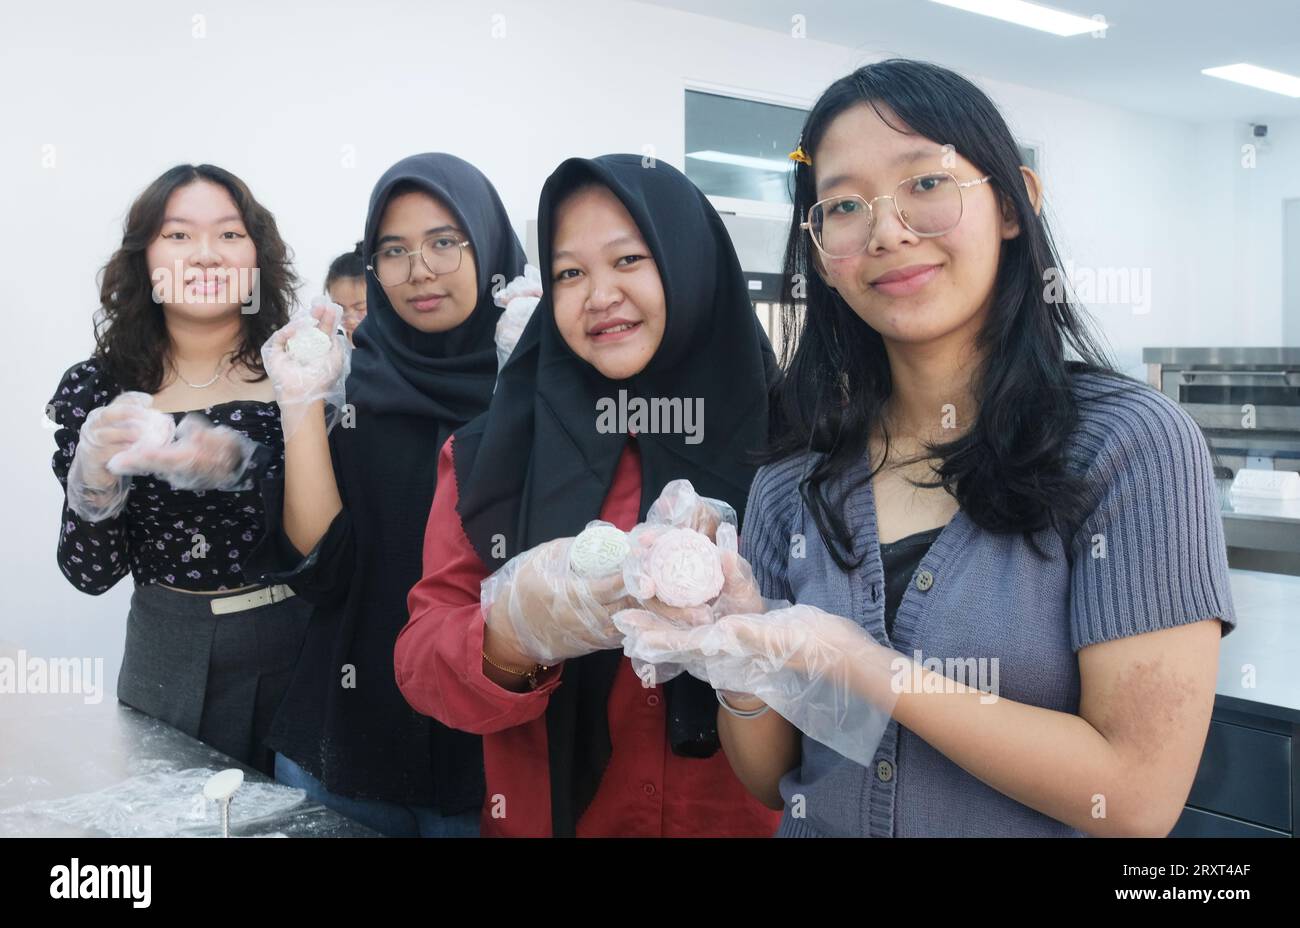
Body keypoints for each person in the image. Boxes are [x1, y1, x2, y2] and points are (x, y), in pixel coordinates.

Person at [616, 59, 1237, 838]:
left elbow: (1137, 798)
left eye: (927, 183)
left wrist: (866, 668)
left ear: (1014, 205)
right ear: (818, 252)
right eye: (843, 205)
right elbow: (773, 779)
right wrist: (734, 652)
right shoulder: (794, 477)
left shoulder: (1128, 445)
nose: (886, 230)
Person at [396, 154, 784, 837]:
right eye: (570, 272)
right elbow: (420, 660)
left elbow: (861, 665)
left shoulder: (801, 444)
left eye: (628, 260)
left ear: (690, 263)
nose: (598, 294)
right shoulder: (488, 453)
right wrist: (514, 633)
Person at [246, 153, 525, 837]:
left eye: (442, 242)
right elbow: (321, 567)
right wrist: (301, 406)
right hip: (343, 747)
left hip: (495, 759)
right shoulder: (351, 383)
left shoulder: (534, 377)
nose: (418, 270)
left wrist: (532, 394)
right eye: (392, 250)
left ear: (487, 246)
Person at [48, 164, 309, 774]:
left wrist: (247, 467)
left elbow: (343, 537)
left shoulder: (301, 368)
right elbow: (89, 574)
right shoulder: (98, 390)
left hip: (304, 642)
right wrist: (95, 480)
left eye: (229, 234)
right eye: (178, 236)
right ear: (144, 259)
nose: (206, 256)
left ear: (257, 256)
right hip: (169, 651)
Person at [324, 242, 367, 344]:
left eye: (360, 308)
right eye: (340, 308)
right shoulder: (333, 345)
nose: (350, 320)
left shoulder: (401, 345)